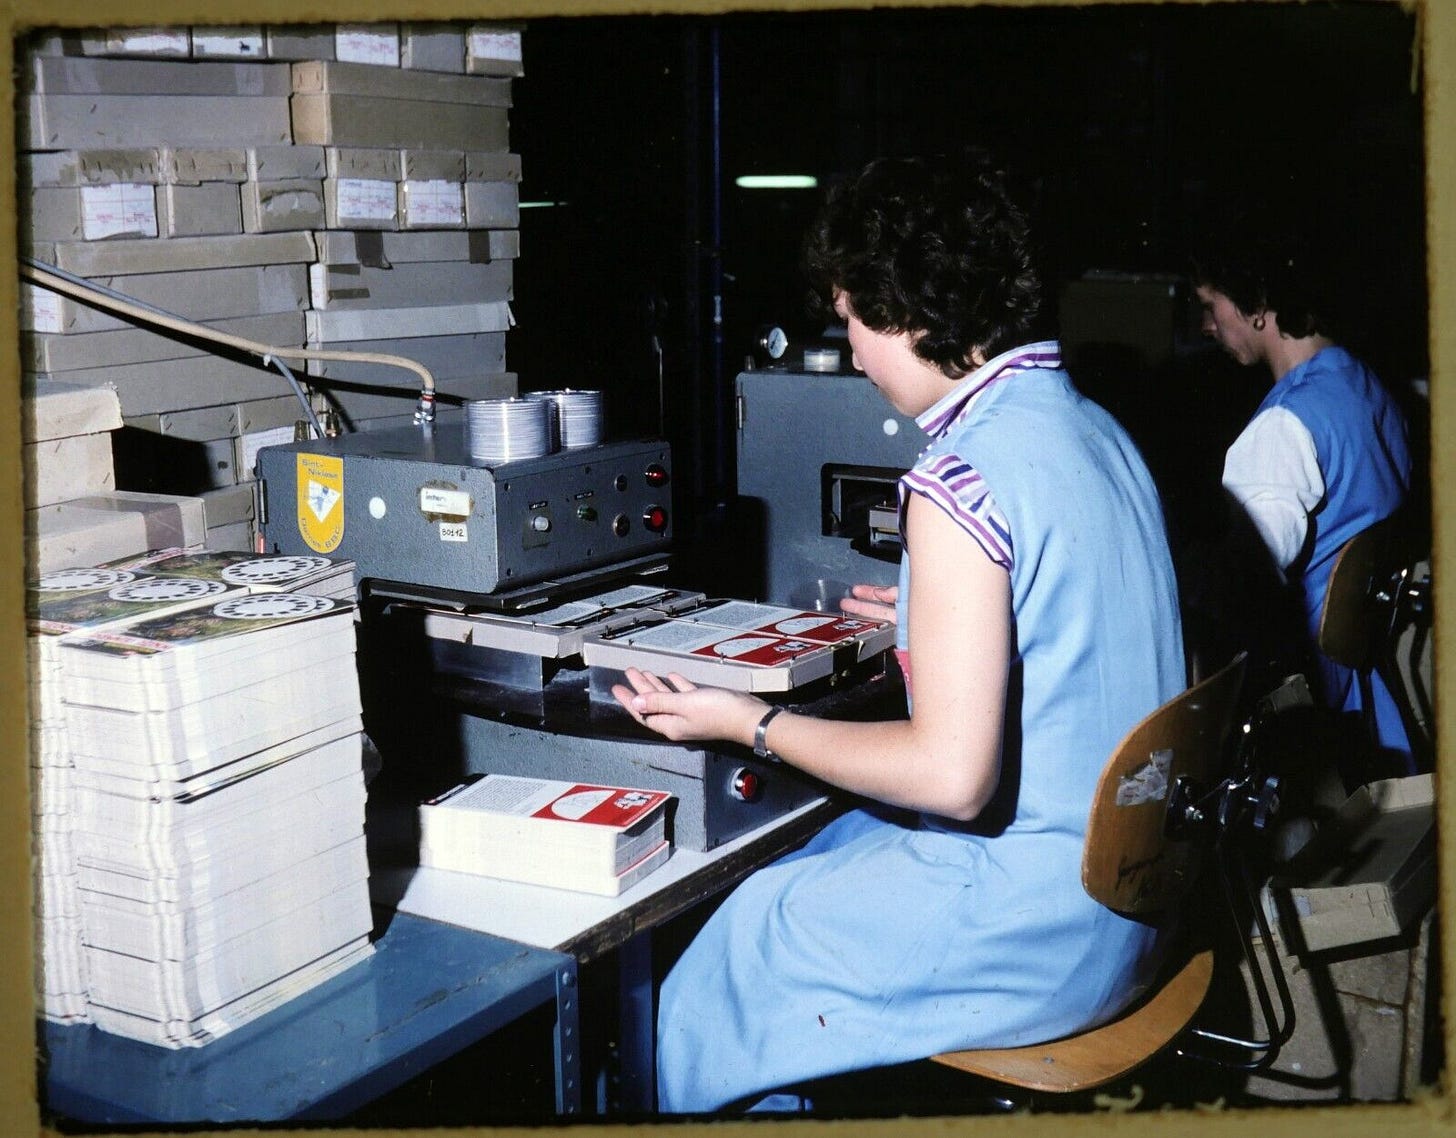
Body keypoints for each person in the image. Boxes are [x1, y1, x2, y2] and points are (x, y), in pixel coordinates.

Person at [613, 151, 1186, 1113]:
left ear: (905, 312)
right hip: (1134, 900)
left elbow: (953, 781)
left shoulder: (957, 478)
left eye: (847, 317)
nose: (851, 345)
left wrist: (746, 720)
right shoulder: (1098, 430)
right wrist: (941, 615)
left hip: (1039, 933)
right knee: (818, 859)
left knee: (740, 942)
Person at [1190, 216, 1415, 773]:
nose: (1207, 326)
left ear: (1256, 304)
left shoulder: (1280, 431)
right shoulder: (1367, 386)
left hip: (1326, 718)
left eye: (1211, 305)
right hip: (1388, 687)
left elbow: (1237, 597)